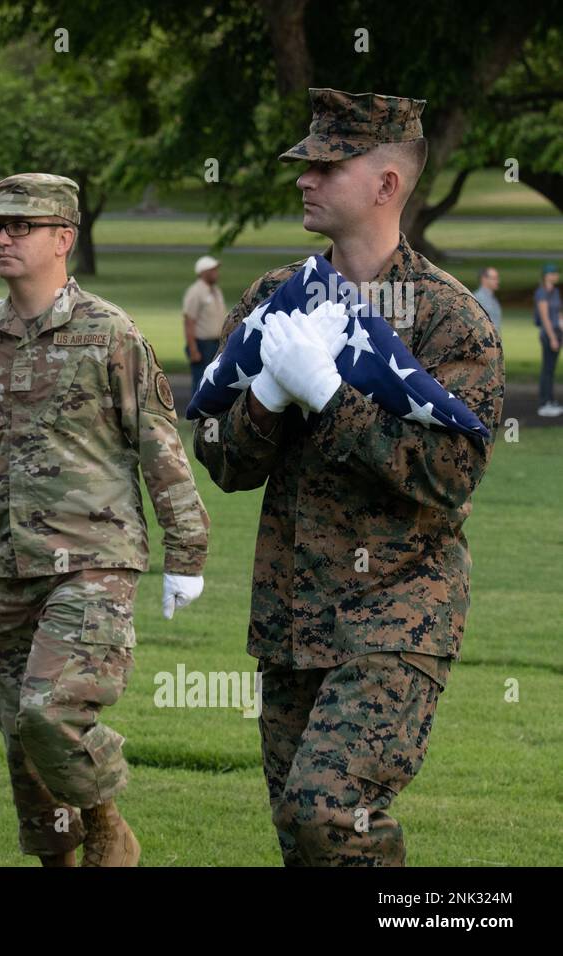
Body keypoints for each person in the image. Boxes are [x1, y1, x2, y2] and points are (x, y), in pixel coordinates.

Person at [194, 89, 503, 866]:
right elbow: (223, 458)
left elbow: (452, 475)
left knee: (328, 812)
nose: (304, 178)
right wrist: (266, 395)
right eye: (305, 163)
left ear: (387, 185)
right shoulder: (276, 301)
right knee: (310, 842)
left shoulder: (447, 319)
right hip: (293, 618)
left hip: (399, 614)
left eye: (328, 165)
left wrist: (333, 398)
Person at [0, 173, 210, 867]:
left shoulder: (110, 334)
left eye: (19, 226)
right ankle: (63, 858)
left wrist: (187, 550)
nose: (2, 238)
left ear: (65, 237)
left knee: (48, 715)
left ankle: (108, 825)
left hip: (93, 562)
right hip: (3, 568)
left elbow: (159, 445)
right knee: (20, 743)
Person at [184, 254, 226, 396]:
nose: (216, 273)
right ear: (203, 272)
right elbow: (189, 320)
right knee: (200, 382)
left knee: (214, 381)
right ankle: (197, 417)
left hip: (217, 343)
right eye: (212, 270)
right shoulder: (196, 292)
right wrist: (193, 348)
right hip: (202, 344)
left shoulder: (216, 291)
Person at [535, 263, 560, 417]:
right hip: (548, 336)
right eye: (553, 273)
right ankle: (544, 403)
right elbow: (545, 318)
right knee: (547, 370)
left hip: (558, 334)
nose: (556, 275)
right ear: (547, 276)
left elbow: (557, 314)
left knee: (551, 370)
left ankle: (550, 400)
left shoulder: (555, 292)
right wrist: (552, 338)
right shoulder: (542, 293)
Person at [472, 266, 501, 333]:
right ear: (484, 279)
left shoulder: (493, 298)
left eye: (497, 278)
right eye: (494, 278)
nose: (497, 281)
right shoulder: (477, 298)